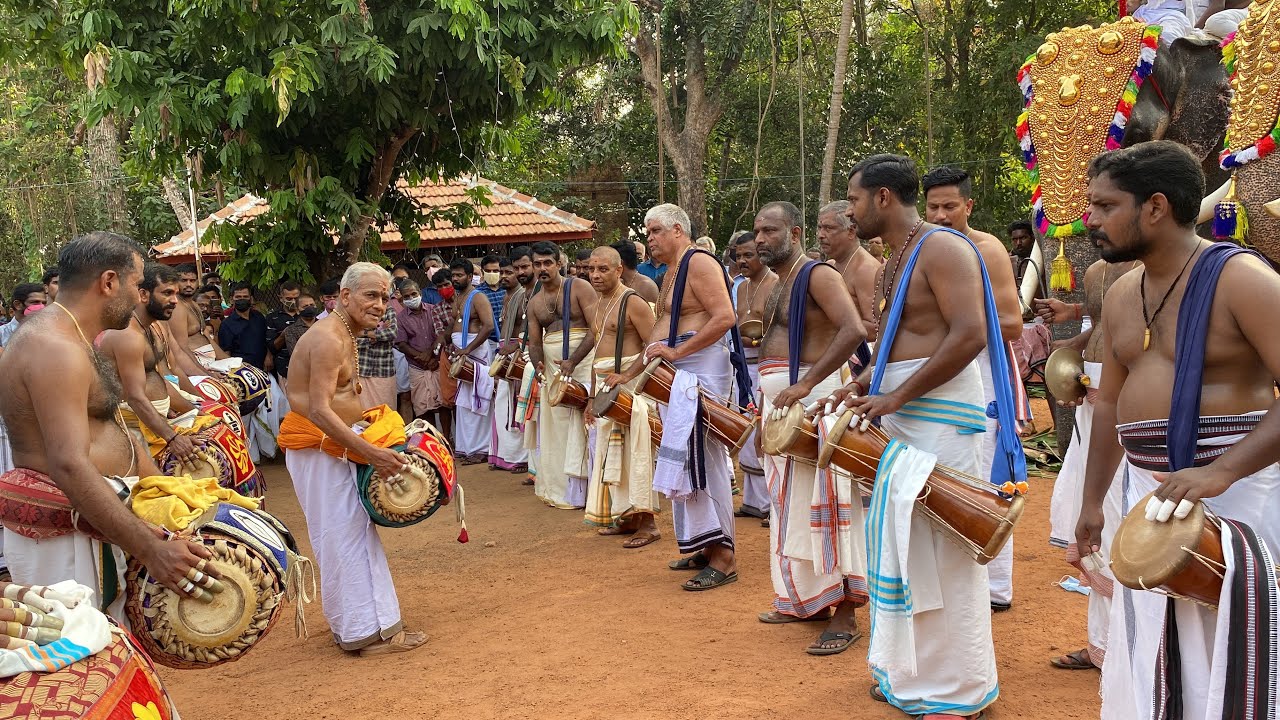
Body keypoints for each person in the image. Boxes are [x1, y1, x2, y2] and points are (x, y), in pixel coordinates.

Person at [1069, 141, 1280, 718]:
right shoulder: (1120, 293)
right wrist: (1092, 504)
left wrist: (1220, 472)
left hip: (1239, 494)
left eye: (1105, 206)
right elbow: (1108, 405)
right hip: (1148, 495)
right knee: (1150, 647)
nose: (1091, 220)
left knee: (1229, 651)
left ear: (1155, 207)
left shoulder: (1243, 279)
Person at [836, 154, 1012, 719]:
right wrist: (863, 383)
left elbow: (969, 335)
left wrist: (897, 397)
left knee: (947, 548)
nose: (849, 209)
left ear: (883, 197)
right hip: (907, 413)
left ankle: (960, 686)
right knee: (907, 546)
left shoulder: (941, 247)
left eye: (855, 198)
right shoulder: (895, 257)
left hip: (940, 418)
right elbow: (899, 342)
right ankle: (913, 674)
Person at [0, 232, 217, 618]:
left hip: (92, 520)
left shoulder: (75, 338)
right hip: (66, 538)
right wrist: (151, 550)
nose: (140, 297)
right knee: (87, 662)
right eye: (136, 284)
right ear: (109, 282)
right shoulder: (55, 348)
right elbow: (68, 462)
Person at [278, 262, 426, 656]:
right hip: (321, 449)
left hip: (334, 447)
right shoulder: (328, 338)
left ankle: (368, 624)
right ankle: (362, 634)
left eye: (385, 297)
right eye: (371, 296)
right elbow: (320, 411)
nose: (381, 305)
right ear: (345, 297)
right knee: (341, 537)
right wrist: (371, 452)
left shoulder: (343, 333)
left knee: (354, 534)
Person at [604, 204, 746, 591]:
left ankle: (724, 556)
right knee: (684, 461)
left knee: (705, 460)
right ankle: (703, 544)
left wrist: (679, 354)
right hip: (678, 371)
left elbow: (724, 317)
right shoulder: (670, 272)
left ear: (678, 230)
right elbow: (660, 335)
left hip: (699, 368)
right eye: (648, 232)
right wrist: (629, 375)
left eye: (654, 231)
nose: (648, 239)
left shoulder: (699, 263)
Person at [753, 201, 869, 654]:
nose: (760, 238)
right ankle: (804, 598)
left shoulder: (817, 275)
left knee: (830, 507)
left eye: (770, 230)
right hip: (781, 406)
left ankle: (846, 612)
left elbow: (853, 329)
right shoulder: (780, 283)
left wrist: (804, 384)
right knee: (792, 508)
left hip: (813, 405)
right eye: (757, 231)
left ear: (795, 232)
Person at [922, 165, 1025, 612]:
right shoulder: (920, 249)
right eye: (933, 207)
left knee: (985, 478)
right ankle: (952, 580)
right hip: (933, 377)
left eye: (950, 206)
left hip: (980, 373)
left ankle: (994, 587)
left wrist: (959, 326)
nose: (942, 215)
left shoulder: (987, 249)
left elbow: (1013, 323)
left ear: (969, 205)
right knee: (942, 475)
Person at [1034, 257, 1138, 672]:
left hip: (1132, 410)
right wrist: (1071, 352)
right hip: (1093, 405)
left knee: (1125, 527)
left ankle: (1131, 651)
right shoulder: (1097, 272)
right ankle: (1102, 647)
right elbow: (1104, 326)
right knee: (1096, 525)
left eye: (1105, 205)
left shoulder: (1155, 269)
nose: (1092, 216)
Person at [582, 246, 660, 546]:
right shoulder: (598, 303)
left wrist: (626, 377)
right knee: (611, 455)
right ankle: (627, 518)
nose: (595, 275)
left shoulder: (634, 302)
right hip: (605, 388)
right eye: (591, 269)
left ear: (619, 270)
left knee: (636, 454)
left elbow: (653, 348)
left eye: (603, 269)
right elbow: (596, 355)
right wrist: (591, 398)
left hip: (629, 387)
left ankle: (649, 524)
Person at [98, 263, 202, 453]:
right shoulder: (127, 336)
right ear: (144, 295)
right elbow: (135, 397)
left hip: (157, 420)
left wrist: (195, 408)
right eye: (167, 293)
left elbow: (159, 378)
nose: (175, 301)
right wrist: (173, 438)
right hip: (133, 433)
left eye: (176, 294)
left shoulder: (153, 327)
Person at [527, 241, 598, 508]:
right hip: (554, 370)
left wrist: (573, 360)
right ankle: (565, 492)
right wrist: (539, 365)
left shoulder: (579, 287)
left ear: (559, 263)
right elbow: (535, 343)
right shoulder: (535, 303)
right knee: (557, 429)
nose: (542, 268)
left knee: (587, 423)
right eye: (538, 264)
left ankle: (592, 492)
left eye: (548, 263)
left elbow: (596, 329)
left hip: (582, 363)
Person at [730, 231, 775, 523]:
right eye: (739, 256)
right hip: (741, 368)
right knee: (746, 429)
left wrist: (757, 342)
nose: (743, 260)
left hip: (767, 367)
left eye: (749, 255)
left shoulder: (775, 285)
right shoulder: (740, 287)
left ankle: (773, 504)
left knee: (765, 431)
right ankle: (752, 500)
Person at [446, 259, 496, 465]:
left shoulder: (478, 297)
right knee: (465, 404)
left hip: (475, 353)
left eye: (459, 275)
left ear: (469, 276)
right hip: (461, 354)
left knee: (479, 399)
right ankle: (466, 448)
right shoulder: (457, 298)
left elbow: (488, 326)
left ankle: (482, 449)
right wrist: (449, 342)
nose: (455, 279)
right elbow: (453, 325)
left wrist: (467, 349)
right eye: (453, 276)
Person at [818, 200, 880, 346]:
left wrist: (825, 328)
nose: (821, 235)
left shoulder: (866, 270)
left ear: (851, 231)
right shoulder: (829, 266)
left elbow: (876, 328)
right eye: (820, 227)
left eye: (828, 228)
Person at [489, 258, 528, 473]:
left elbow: (526, 330)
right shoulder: (506, 297)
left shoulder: (523, 296)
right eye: (502, 272)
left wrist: (515, 348)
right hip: (503, 352)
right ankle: (504, 455)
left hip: (517, 353)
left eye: (508, 272)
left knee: (516, 407)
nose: (504, 276)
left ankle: (520, 458)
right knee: (502, 406)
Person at [393, 280, 444, 425]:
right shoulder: (400, 319)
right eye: (407, 296)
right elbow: (402, 345)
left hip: (438, 362)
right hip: (416, 367)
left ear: (420, 293)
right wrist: (422, 358)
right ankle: (431, 439)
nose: (411, 298)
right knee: (423, 407)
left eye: (413, 294)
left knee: (445, 404)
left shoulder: (435, 310)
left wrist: (432, 355)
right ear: (402, 299)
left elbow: (442, 335)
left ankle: (447, 438)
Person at [167, 263, 225, 370]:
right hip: (195, 367)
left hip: (210, 363)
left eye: (192, 280)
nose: (189, 284)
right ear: (175, 282)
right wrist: (205, 373)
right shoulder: (177, 308)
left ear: (198, 282)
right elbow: (181, 348)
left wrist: (227, 360)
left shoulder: (194, 304)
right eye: (184, 280)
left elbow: (208, 338)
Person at [356, 297, 399, 412]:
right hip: (362, 370)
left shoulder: (389, 310)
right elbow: (352, 339)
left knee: (387, 413)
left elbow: (392, 333)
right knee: (364, 414)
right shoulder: (357, 312)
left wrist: (365, 333)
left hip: (384, 369)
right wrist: (373, 337)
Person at [218, 282, 269, 369]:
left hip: (264, 368)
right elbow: (226, 353)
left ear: (251, 299)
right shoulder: (226, 324)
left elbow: (267, 340)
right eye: (238, 297)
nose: (242, 299)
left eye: (245, 297)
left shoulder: (259, 317)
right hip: (242, 370)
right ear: (231, 299)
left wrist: (269, 357)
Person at [265, 281, 303, 380]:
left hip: (307, 364)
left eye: (296, 298)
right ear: (281, 298)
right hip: (284, 367)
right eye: (289, 299)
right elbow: (272, 346)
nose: (293, 301)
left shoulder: (307, 315)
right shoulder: (273, 318)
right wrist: (284, 335)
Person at [477, 255, 505, 345]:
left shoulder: (508, 289)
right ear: (482, 271)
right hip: (487, 341)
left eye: (496, 271)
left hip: (508, 339)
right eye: (488, 271)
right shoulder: (477, 293)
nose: (492, 273)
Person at [282, 292, 319, 358]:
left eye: (312, 305)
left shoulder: (325, 325)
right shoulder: (291, 330)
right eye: (305, 306)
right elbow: (295, 355)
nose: (310, 308)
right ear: (297, 310)